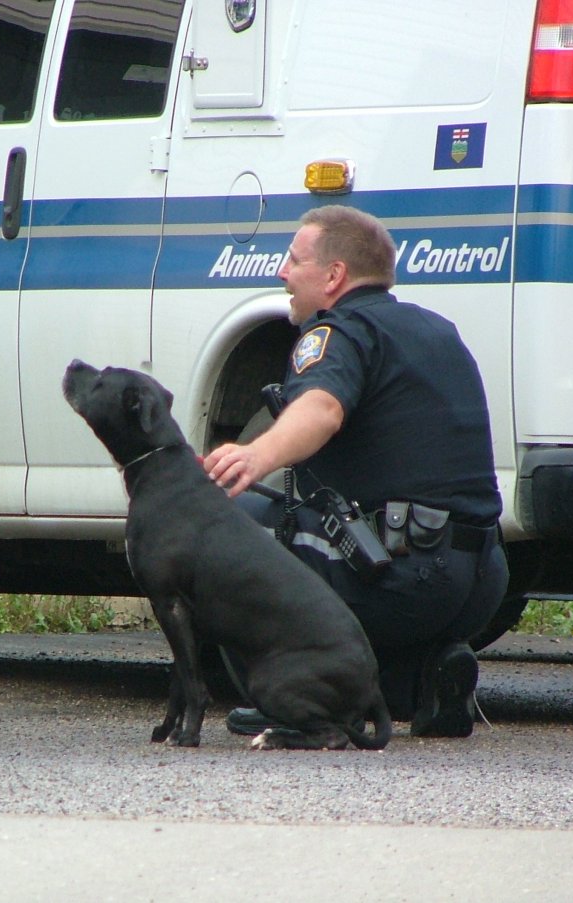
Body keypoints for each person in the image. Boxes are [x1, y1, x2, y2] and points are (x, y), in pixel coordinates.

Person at [203, 205, 508, 737]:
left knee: (224, 524)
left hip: (401, 572)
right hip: (481, 579)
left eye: (294, 260)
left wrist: (257, 455)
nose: (282, 272)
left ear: (334, 275)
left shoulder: (337, 333)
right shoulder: (436, 329)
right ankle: (426, 680)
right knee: (337, 551)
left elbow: (322, 408)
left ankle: (291, 698)